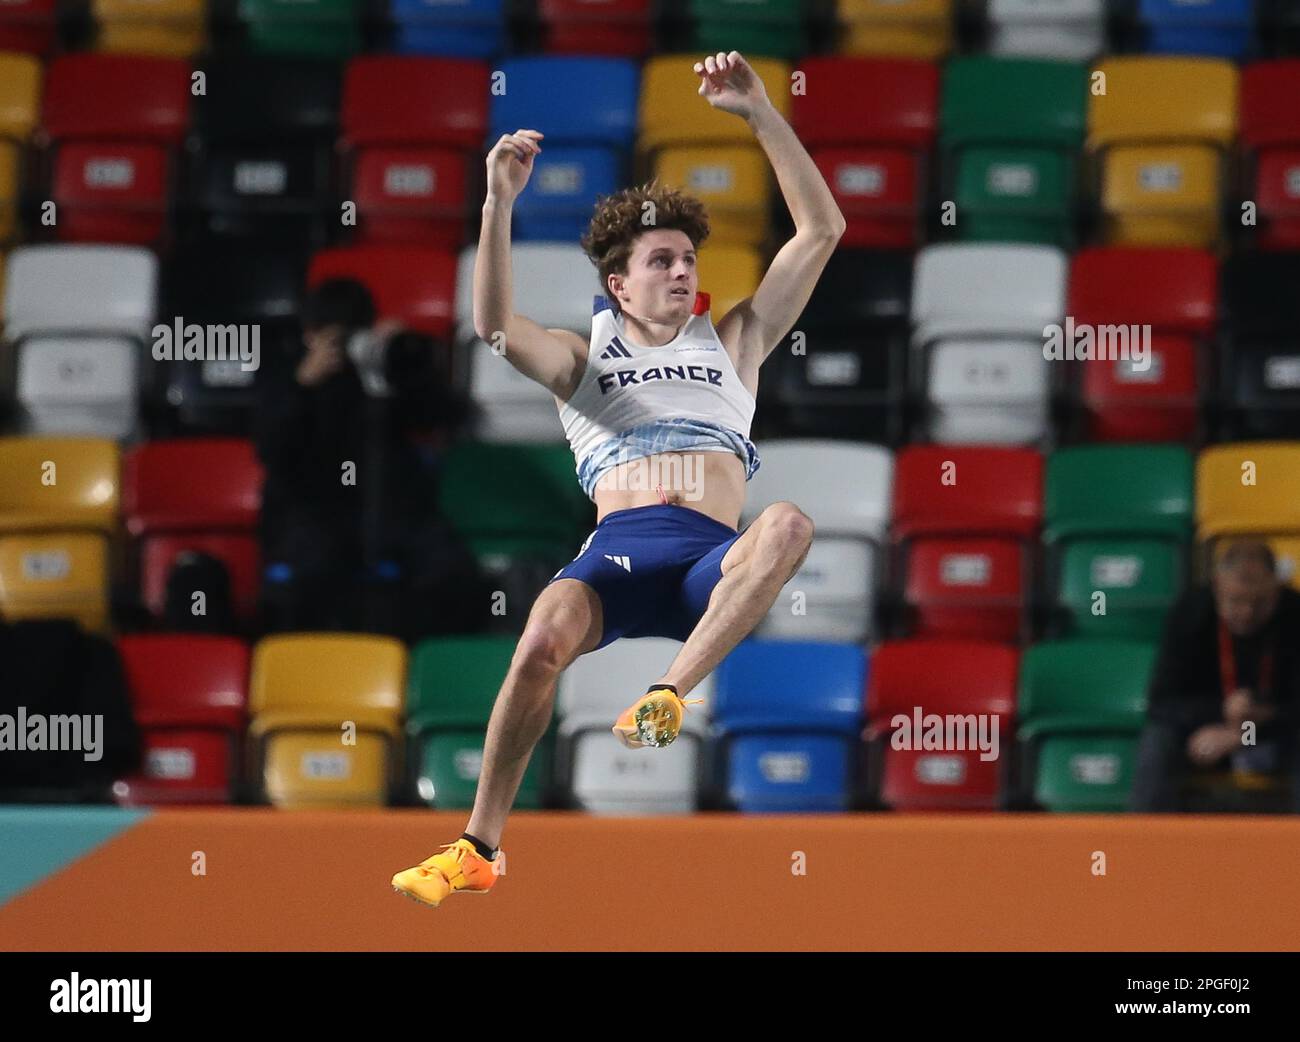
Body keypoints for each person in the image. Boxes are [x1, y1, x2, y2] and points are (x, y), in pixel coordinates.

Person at [392, 50, 847, 906]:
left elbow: (821, 232)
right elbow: (490, 323)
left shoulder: (736, 342)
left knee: (786, 522)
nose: (684, 271)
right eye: (663, 261)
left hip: (709, 568)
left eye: (689, 260)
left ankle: (669, 695)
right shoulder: (580, 358)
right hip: (619, 558)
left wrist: (759, 113)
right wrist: (498, 203)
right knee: (539, 640)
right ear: (618, 283)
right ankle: (477, 847)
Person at [254, 278, 483, 640]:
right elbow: (271, 450)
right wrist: (303, 386)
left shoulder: (382, 369)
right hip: (315, 513)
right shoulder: (286, 376)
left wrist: (402, 364)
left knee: (453, 572)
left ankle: (426, 660)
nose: (348, 349)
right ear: (310, 335)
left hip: (395, 511)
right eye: (338, 339)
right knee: (315, 574)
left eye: (356, 335)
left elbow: (448, 416)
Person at [1130, 540, 1300, 813]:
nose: (1247, 612)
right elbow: (1161, 703)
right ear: (1217, 588)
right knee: (1158, 741)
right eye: (1236, 601)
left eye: (1259, 602)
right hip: (1208, 733)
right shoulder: (1190, 613)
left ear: (1276, 588)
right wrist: (1220, 712)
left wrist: (1244, 733)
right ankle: (1146, 844)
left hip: (1277, 732)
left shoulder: (1294, 614)